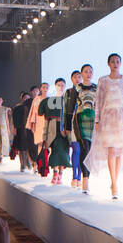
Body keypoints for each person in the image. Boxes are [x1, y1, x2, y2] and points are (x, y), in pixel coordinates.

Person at [85, 55, 123, 199]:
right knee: (111, 150)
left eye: (117, 62)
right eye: (112, 62)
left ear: (120, 63)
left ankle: (115, 181)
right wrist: (97, 120)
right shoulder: (103, 80)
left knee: (118, 153)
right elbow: (98, 101)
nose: (115, 64)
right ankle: (114, 184)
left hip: (122, 120)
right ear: (108, 64)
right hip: (108, 119)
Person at [64, 65, 97, 195]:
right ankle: (85, 180)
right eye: (85, 71)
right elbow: (70, 108)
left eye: (90, 71)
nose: (88, 74)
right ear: (81, 74)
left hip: (93, 121)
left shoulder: (96, 88)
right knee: (84, 148)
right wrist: (67, 127)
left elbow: (99, 105)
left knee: (90, 149)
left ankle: (86, 179)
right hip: (79, 120)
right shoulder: (76, 88)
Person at [40, 78, 72, 185]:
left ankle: (60, 174)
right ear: (55, 86)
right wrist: (44, 134)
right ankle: (55, 173)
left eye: (63, 85)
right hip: (53, 129)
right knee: (54, 151)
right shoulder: (50, 101)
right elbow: (46, 119)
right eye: (58, 85)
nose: (61, 87)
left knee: (64, 152)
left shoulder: (68, 100)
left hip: (65, 129)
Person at [65, 70, 84, 188]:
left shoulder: (86, 90)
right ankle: (74, 176)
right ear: (72, 79)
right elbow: (66, 110)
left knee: (83, 150)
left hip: (85, 123)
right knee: (76, 149)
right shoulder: (68, 92)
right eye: (75, 77)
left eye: (79, 77)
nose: (78, 79)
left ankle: (81, 176)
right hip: (73, 122)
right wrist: (66, 126)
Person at [27, 82, 49, 175]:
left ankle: (46, 164)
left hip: (49, 123)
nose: (45, 89)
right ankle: (40, 165)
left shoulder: (51, 99)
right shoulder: (36, 99)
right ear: (40, 89)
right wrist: (32, 124)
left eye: (47, 87)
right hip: (39, 123)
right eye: (43, 87)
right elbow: (33, 112)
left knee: (48, 145)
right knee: (40, 144)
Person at [11, 91, 34, 172]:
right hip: (20, 129)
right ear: (22, 99)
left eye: (28, 98)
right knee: (21, 148)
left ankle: (29, 163)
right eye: (25, 98)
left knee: (29, 147)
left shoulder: (32, 106)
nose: (26, 99)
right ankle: (22, 165)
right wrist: (14, 128)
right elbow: (14, 119)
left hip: (29, 130)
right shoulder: (18, 107)